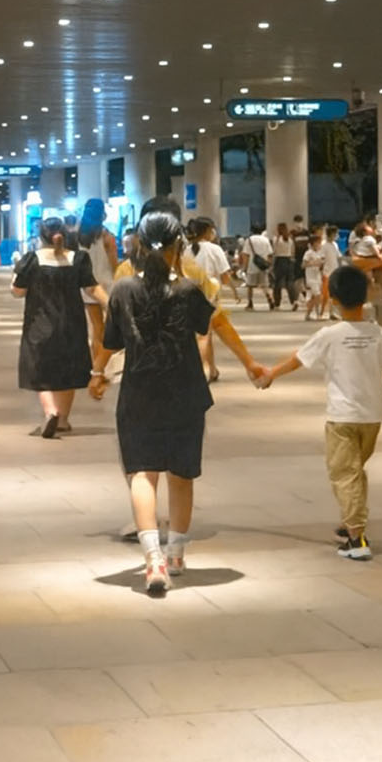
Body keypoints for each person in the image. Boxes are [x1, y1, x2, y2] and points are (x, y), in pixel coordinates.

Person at [91, 211, 259, 595]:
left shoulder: (123, 290)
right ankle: (177, 554)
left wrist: (96, 375)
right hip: (185, 391)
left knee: (143, 473)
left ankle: (153, 561)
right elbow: (214, 325)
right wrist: (250, 363)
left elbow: (111, 342)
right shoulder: (187, 290)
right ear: (177, 247)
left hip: (139, 392)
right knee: (181, 474)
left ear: (137, 244)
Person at [258, 264, 382, 562]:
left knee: (343, 474)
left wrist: (271, 373)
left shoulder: (330, 334)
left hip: (342, 418)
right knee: (354, 472)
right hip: (373, 417)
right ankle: (352, 520)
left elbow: (298, 360)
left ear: (332, 298)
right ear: (365, 296)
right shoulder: (379, 334)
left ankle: (357, 538)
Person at [14, 215, 107, 437]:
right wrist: (111, 304)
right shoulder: (78, 259)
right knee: (69, 370)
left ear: (41, 236)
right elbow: (92, 288)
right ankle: (63, 420)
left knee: (41, 370)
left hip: (39, 324)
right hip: (71, 324)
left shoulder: (32, 259)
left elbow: (18, 291)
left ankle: (51, 412)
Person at [187, 217, 233, 379]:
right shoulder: (215, 249)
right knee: (204, 335)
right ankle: (198, 372)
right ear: (207, 230)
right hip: (209, 296)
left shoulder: (186, 250)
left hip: (187, 295)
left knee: (204, 334)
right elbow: (225, 277)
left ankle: (212, 369)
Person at [348, 219, 382, 327]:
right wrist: (374, 263)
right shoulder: (363, 242)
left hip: (379, 280)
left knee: (381, 307)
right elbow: (355, 260)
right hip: (365, 283)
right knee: (367, 307)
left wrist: (366, 266)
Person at [243, 224, 274, 310]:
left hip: (252, 266)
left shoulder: (249, 240)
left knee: (250, 286)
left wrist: (245, 267)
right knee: (265, 285)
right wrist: (269, 265)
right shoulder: (265, 240)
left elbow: (246, 255)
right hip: (263, 266)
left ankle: (250, 303)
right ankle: (270, 299)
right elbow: (270, 254)